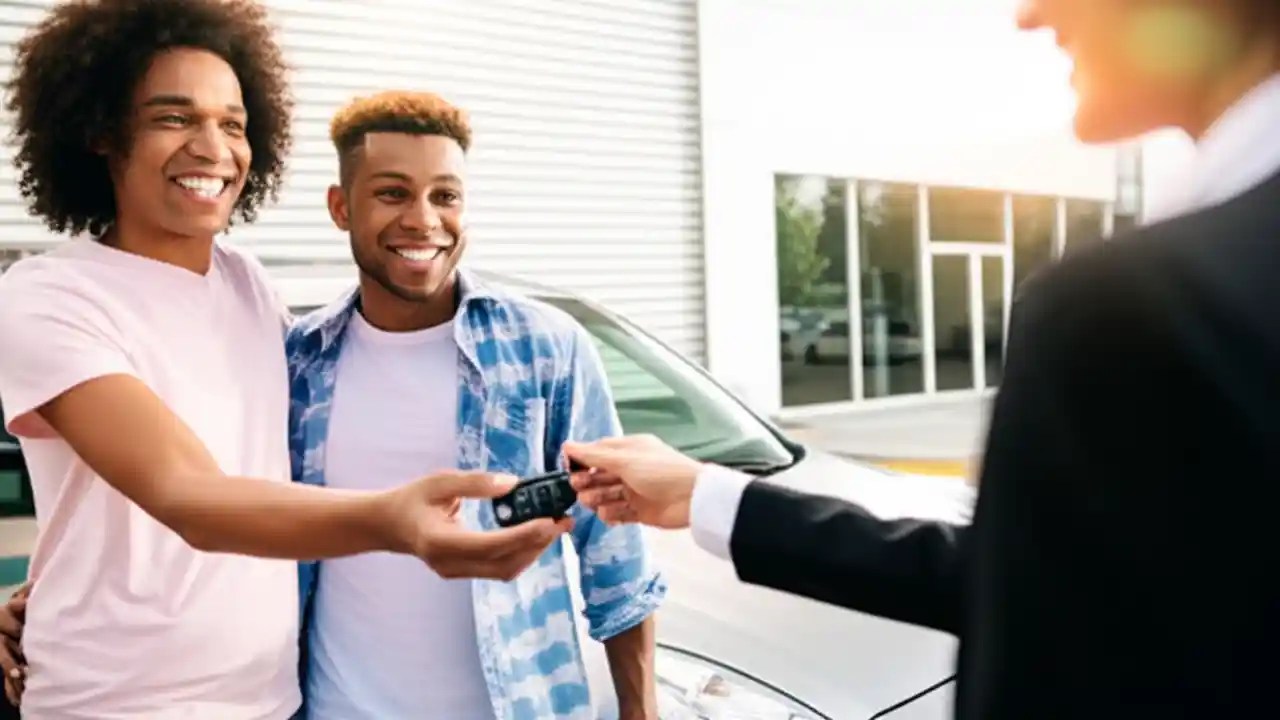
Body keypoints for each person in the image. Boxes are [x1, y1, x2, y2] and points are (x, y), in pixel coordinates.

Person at [567, 1, 1280, 718]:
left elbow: (1042, 623)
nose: (1034, 17)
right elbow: (1058, 577)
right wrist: (709, 495)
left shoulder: (1129, 304)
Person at [0, 2, 565, 718]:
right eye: (174, 118)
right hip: (115, 704)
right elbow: (187, 495)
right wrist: (394, 521)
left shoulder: (246, 284)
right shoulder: (48, 296)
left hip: (274, 699)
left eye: (233, 124)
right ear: (101, 133)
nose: (214, 147)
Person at [287, 90, 664, 719]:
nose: (423, 220)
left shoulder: (544, 347)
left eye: (445, 195)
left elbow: (615, 548)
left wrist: (641, 710)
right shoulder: (300, 359)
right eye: (392, 193)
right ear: (340, 206)